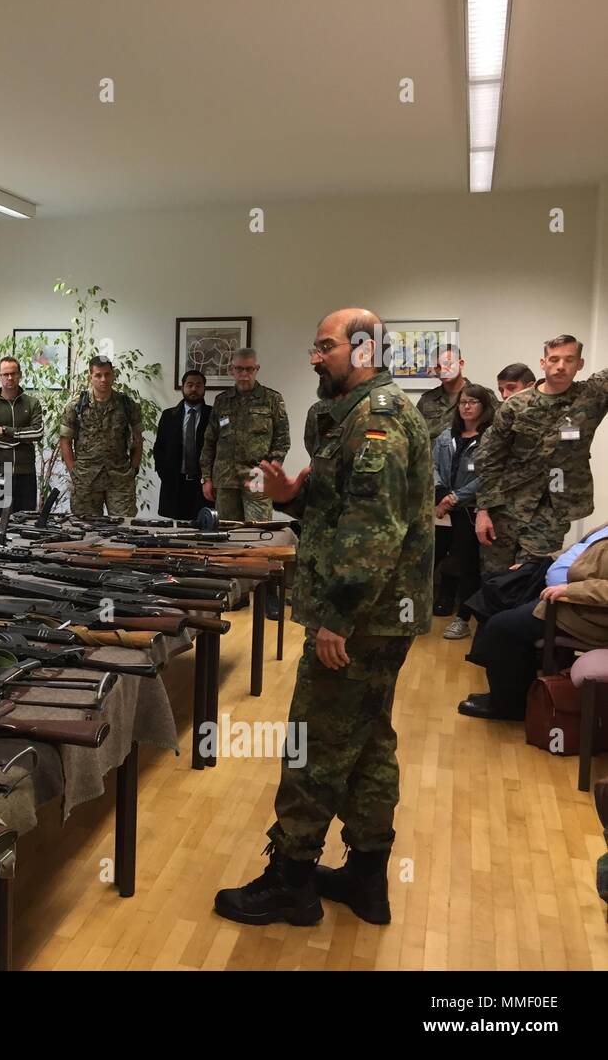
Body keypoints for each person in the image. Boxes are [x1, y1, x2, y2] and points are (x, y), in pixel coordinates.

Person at [214, 308, 432, 928]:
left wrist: (337, 616)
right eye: (314, 346)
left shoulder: (377, 421)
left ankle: (291, 881)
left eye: (325, 346)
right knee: (366, 743)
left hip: (358, 619)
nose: (315, 357)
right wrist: (291, 495)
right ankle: (367, 878)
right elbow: (340, 503)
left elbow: (373, 532)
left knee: (312, 743)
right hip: (378, 616)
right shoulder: (356, 413)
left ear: (362, 349)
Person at [475, 335, 607, 575]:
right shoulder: (516, 405)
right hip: (506, 506)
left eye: (569, 359)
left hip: (553, 510)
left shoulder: (592, 396)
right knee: (495, 578)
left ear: (580, 364)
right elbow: (489, 459)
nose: (560, 366)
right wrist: (482, 511)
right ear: (542, 363)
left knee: (529, 579)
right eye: (554, 359)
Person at [460, 523, 608, 721]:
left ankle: (510, 706)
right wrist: (534, 565)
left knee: (502, 627)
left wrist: (571, 591)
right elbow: (577, 551)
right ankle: (512, 693)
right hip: (557, 595)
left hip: (582, 611)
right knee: (496, 593)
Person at [433, 385, 496, 639]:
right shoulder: (446, 436)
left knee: (467, 564)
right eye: (462, 402)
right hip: (441, 510)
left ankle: (463, 618)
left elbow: (488, 475)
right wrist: (441, 496)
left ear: (484, 406)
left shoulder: (490, 438)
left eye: (473, 402)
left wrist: (456, 497)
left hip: (471, 510)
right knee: (434, 558)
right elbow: (433, 466)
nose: (466, 406)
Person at [200, 347, 289, 523]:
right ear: (231, 370)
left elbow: (282, 441)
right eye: (239, 369)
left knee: (258, 532)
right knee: (226, 533)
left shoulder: (272, 399)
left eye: (249, 369)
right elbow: (210, 441)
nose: (244, 374)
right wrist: (206, 478)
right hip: (225, 479)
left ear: (257, 369)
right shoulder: (222, 400)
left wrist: (270, 474)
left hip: (257, 477)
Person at [59, 356, 143, 518]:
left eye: (107, 374)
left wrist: (133, 469)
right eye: (98, 375)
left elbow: (138, 440)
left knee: (123, 528)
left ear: (113, 375)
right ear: (90, 377)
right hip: (86, 479)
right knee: (85, 531)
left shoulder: (127, 404)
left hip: (120, 478)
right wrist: (73, 472)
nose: (103, 379)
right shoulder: (76, 406)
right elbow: (65, 442)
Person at [0, 356, 44, 520]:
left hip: (26, 474)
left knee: (26, 522)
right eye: (5, 374)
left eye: (13, 373)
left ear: (20, 375)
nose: (10, 377)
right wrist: (22, 439)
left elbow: (37, 433)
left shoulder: (32, 403)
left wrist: (7, 430)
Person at [154, 370, 212, 520]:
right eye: (190, 385)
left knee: (205, 526)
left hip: (203, 484)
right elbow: (159, 448)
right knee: (176, 531)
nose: (194, 389)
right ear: (182, 388)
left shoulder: (214, 415)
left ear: (204, 388)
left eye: (198, 385)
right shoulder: (168, 416)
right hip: (175, 482)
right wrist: (164, 474)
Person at [415, 344, 496, 441]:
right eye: (438, 367)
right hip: (434, 454)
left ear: (461, 364)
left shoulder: (483, 395)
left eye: (448, 364)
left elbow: (497, 432)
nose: (443, 370)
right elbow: (417, 435)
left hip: (470, 453)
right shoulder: (427, 400)